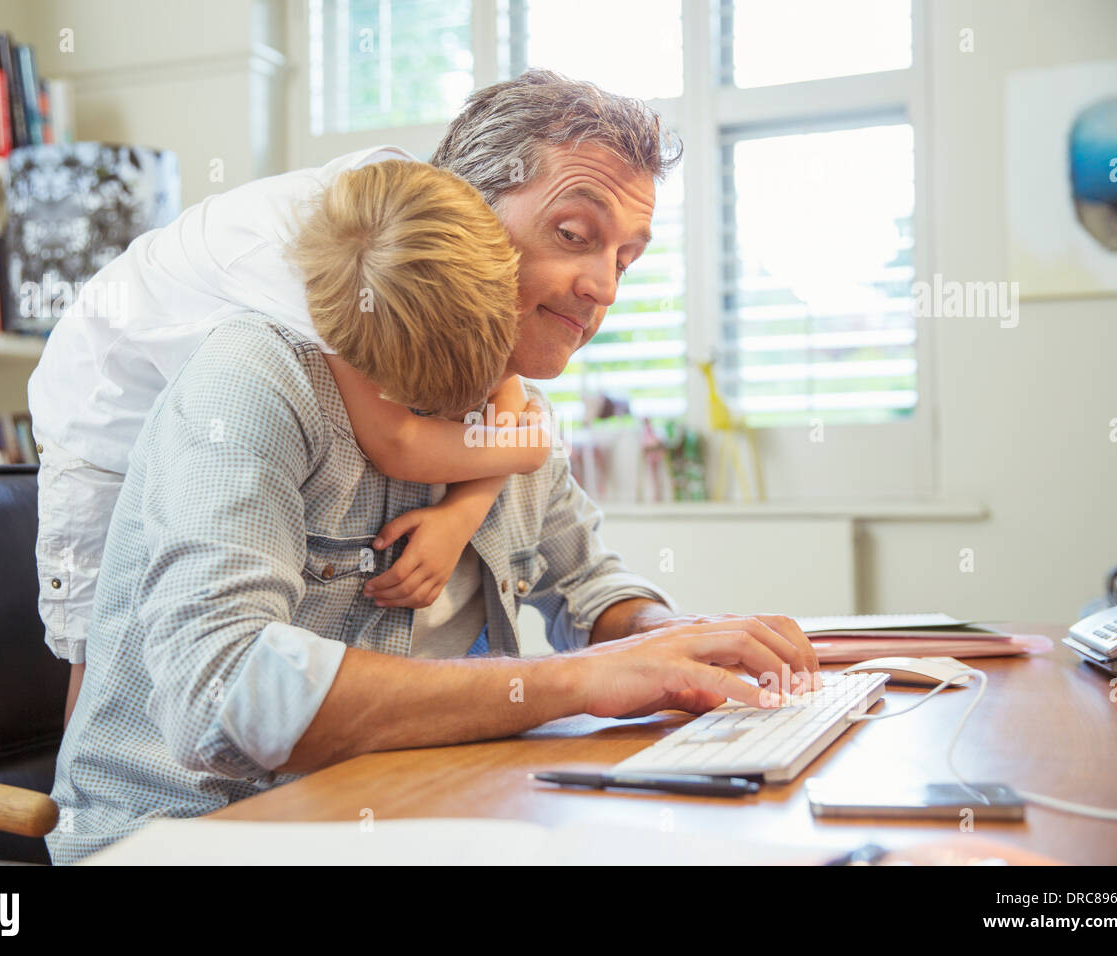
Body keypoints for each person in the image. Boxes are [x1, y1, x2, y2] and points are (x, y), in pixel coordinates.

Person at [45, 70, 821, 864]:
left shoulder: (515, 408)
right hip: (199, 842)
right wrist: (584, 680)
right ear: (466, 212)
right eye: (574, 234)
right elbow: (226, 691)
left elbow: (589, 584)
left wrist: (672, 642)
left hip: (399, 820)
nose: (603, 289)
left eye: (626, 257)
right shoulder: (259, 372)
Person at [29, 153, 550, 726]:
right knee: (97, 647)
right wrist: (528, 449)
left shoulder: (422, 216)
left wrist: (464, 508)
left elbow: (503, 381)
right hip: (98, 413)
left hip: (194, 398)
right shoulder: (316, 297)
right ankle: (76, 807)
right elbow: (397, 444)